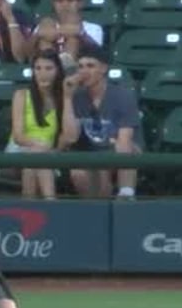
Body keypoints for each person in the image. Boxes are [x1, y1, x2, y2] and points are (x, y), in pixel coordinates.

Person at [57, 45, 140, 200]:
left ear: (103, 68)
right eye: (80, 66)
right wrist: (67, 98)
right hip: (88, 152)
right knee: (79, 173)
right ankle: (96, 212)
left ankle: (126, 195)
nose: (84, 71)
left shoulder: (123, 96)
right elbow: (70, 137)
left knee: (109, 161)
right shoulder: (76, 96)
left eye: (90, 66)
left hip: (119, 151)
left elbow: (124, 141)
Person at [8, 50, 63, 199]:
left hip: (52, 152)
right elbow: (18, 136)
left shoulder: (64, 98)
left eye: (48, 68)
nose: (42, 73)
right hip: (20, 149)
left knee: (36, 160)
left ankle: (29, 206)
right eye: (38, 68)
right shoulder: (21, 95)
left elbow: (67, 137)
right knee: (37, 155)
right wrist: (41, 146)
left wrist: (49, 149)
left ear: (58, 71)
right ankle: (50, 202)